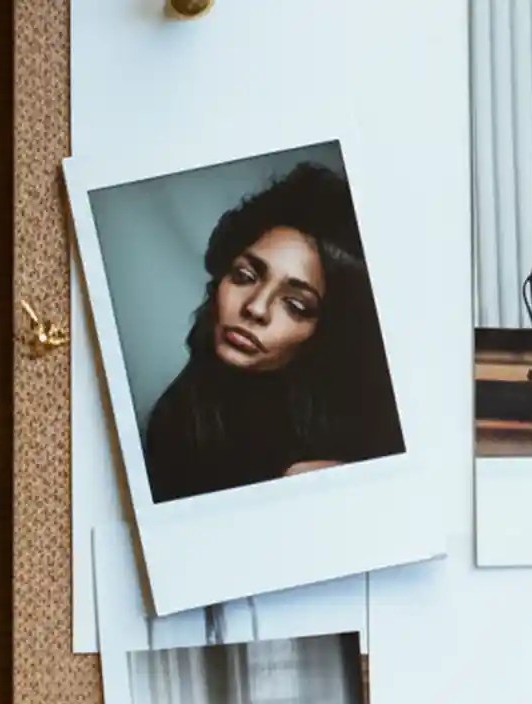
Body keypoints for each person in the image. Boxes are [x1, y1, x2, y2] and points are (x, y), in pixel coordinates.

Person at [144, 162, 404, 503]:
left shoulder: (368, 439)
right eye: (245, 275)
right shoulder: (180, 412)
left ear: (327, 331)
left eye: (295, 306)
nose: (255, 307)